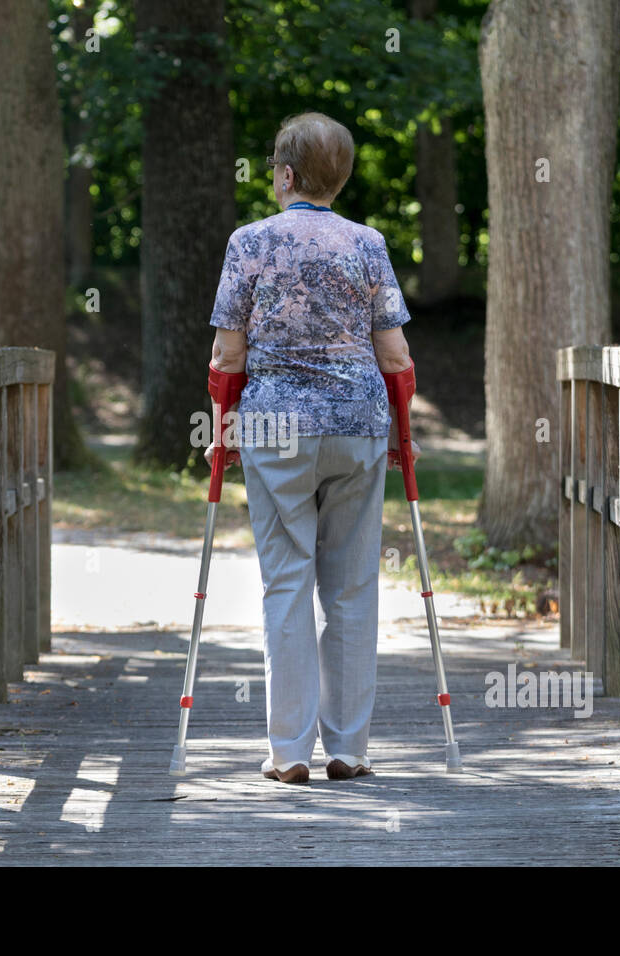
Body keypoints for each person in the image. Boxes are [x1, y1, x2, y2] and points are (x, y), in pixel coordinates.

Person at [205, 111, 420, 784]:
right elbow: (394, 351)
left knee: (287, 583)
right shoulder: (368, 244)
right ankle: (349, 747)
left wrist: (223, 422)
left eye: (274, 167)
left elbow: (226, 350)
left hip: (275, 427)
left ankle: (289, 751)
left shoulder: (250, 242)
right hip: (357, 421)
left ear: (288, 173)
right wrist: (403, 428)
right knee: (353, 586)